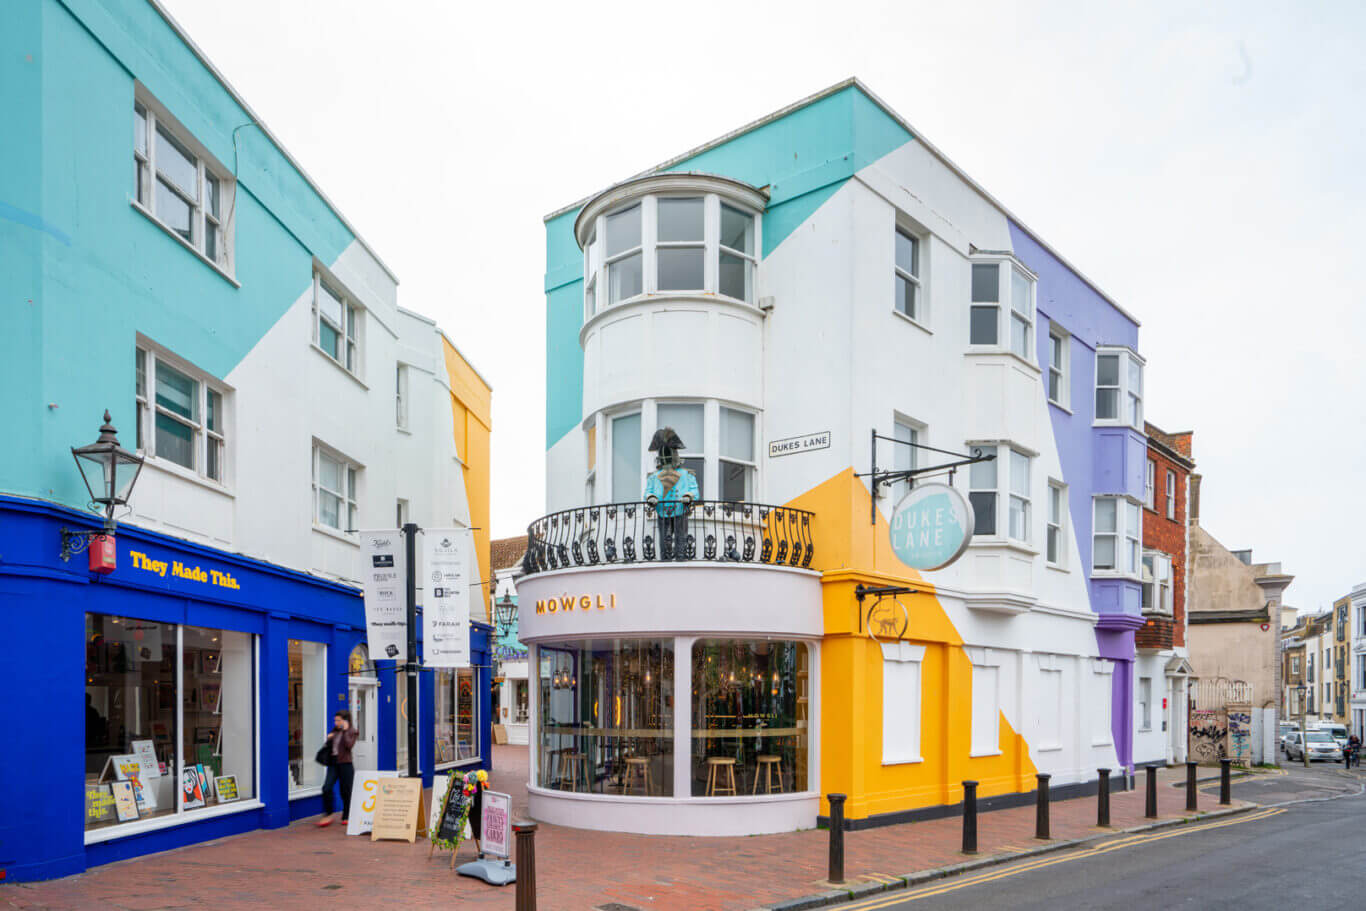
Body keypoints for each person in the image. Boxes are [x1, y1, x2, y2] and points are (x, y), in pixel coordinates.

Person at [644, 427, 698, 561]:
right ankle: (665, 558)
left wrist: (688, 496)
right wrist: (651, 497)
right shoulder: (654, 476)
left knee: (681, 536)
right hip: (663, 511)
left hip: (680, 510)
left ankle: (680, 557)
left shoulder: (686, 474)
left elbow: (694, 490)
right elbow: (648, 491)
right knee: (664, 538)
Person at [317, 711, 358, 827]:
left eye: (338, 720)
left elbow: (348, 746)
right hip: (333, 763)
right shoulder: (335, 730)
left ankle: (346, 815)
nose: (336, 722)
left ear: (345, 720)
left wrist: (345, 731)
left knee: (345, 791)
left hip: (346, 764)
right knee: (326, 788)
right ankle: (329, 814)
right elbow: (330, 747)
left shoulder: (352, 731)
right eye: (335, 720)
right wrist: (329, 738)